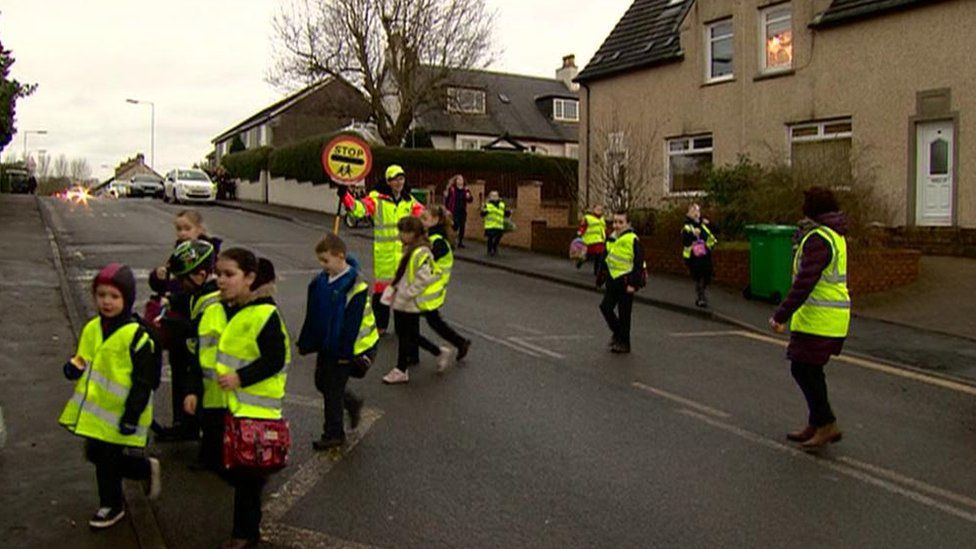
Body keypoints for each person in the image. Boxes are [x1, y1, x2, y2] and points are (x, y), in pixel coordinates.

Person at [58, 263, 162, 529]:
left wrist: (131, 415)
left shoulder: (137, 336)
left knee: (105, 461)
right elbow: (84, 357)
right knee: (95, 453)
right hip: (96, 411)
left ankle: (111, 505)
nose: (106, 302)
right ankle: (142, 469)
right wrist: (74, 367)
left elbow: (144, 381)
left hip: (123, 412)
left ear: (126, 299)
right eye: (101, 295)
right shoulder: (94, 327)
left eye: (114, 296)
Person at [208, 248, 289, 548]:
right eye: (219, 274)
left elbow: (275, 359)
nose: (221, 280)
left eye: (229, 274)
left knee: (245, 480)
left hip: (256, 410)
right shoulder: (226, 307)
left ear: (250, 278)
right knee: (219, 463)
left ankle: (245, 534)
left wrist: (240, 378)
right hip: (226, 406)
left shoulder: (264, 313)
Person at [769, 187, 850, 449]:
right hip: (829, 317)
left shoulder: (819, 238)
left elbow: (805, 282)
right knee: (809, 369)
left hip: (820, 319)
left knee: (803, 369)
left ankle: (827, 423)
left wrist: (781, 314)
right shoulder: (834, 235)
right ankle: (817, 423)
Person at [297, 234, 378, 450]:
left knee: (332, 388)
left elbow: (351, 326)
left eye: (326, 261)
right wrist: (307, 342)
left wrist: (344, 356)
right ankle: (351, 403)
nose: (323, 266)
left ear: (340, 256)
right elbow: (315, 315)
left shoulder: (355, 286)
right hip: (328, 344)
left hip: (348, 349)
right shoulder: (322, 281)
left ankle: (334, 433)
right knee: (321, 381)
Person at [149, 210, 222, 442]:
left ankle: (194, 425)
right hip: (180, 320)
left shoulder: (206, 255)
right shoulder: (179, 253)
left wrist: (175, 300)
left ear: (199, 229)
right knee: (180, 373)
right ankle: (182, 422)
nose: (181, 233)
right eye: (178, 228)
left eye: (186, 228)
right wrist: (159, 278)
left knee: (194, 375)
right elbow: (169, 283)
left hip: (191, 324)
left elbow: (195, 290)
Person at [340, 165, 424, 333]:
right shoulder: (377, 199)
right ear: (388, 181)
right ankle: (381, 326)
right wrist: (345, 196)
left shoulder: (409, 201)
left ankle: (402, 326)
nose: (399, 182)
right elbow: (359, 210)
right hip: (384, 254)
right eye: (395, 179)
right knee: (382, 293)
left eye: (401, 179)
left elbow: (423, 215)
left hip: (403, 254)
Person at [166, 239, 224, 470]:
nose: (181, 284)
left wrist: (179, 327)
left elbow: (200, 332)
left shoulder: (212, 301)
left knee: (212, 416)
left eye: (183, 279)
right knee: (206, 413)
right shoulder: (201, 293)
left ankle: (213, 458)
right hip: (204, 364)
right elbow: (189, 301)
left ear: (200, 275)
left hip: (212, 369)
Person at [382, 217, 444, 384]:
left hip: (409, 300)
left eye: (405, 232)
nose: (401, 235)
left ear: (414, 233)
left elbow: (425, 277)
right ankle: (438, 352)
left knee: (405, 335)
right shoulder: (409, 248)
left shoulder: (421, 251)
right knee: (409, 335)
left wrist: (408, 293)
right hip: (402, 298)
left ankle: (401, 369)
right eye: (400, 231)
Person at [418, 205, 472, 363]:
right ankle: (459, 343)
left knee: (416, 325)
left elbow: (424, 261)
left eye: (424, 219)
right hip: (428, 288)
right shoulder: (433, 237)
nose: (421, 221)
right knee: (433, 322)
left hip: (430, 289)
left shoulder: (438, 242)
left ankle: (445, 349)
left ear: (436, 220)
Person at [598, 211, 646, 354]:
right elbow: (606, 258)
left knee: (624, 314)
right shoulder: (611, 238)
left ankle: (624, 343)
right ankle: (618, 333)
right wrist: (601, 276)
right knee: (605, 307)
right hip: (613, 280)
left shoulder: (633, 240)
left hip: (626, 282)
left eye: (620, 222)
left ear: (628, 224)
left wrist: (634, 284)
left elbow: (638, 264)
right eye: (615, 222)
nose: (617, 225)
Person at [681, 203, 718, 308]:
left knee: (707, 275)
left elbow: (716, 230)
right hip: (694, 257)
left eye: (697, 210)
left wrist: (709, 223)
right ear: (688, 213)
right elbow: (685, 240)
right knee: (699, 276)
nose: (696, 213)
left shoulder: (703, 224)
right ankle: (701, 298)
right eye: (693, 211)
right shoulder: (687, 226)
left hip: (705, 254)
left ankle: (702, 293)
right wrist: (693, 237)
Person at [443, 174, 473, 248]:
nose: (460, 181)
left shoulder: (466, 190)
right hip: (453, 210)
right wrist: (447, 209)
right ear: (455, 181)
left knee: (462, 227)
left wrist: (469, 197)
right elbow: (447, 200)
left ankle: (460, 242)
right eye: (458, 179)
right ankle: (450, 239)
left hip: (462, 210)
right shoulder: (452, 189)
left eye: (461, 180)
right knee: (454, 226)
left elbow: (470, 200)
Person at [576, 204, 608, 275]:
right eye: (597, 209)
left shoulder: (602, 219)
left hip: (599, 241)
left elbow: (604, 229)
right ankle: (581, 261)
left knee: (599, 256)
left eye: (601, 210)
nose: (599, 211)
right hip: (590, 241)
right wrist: (580, 232)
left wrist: (606, 235)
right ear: (593, 210)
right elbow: (583, 226)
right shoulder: (587, 218)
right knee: (588, 255)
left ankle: (597, 271)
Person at [480, 190, 511, 257]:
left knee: (498, 237)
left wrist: (508, 212)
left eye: (496, 196)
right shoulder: (487, 205)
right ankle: (489, 250)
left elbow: (505, 213)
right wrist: (483, 211)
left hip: (499, 225)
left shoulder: (502, 205)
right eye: (493, 196)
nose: (494, 197)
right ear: (490, 197)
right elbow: (482, 214)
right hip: (490, 225)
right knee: (490, 238)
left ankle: (494, 247)